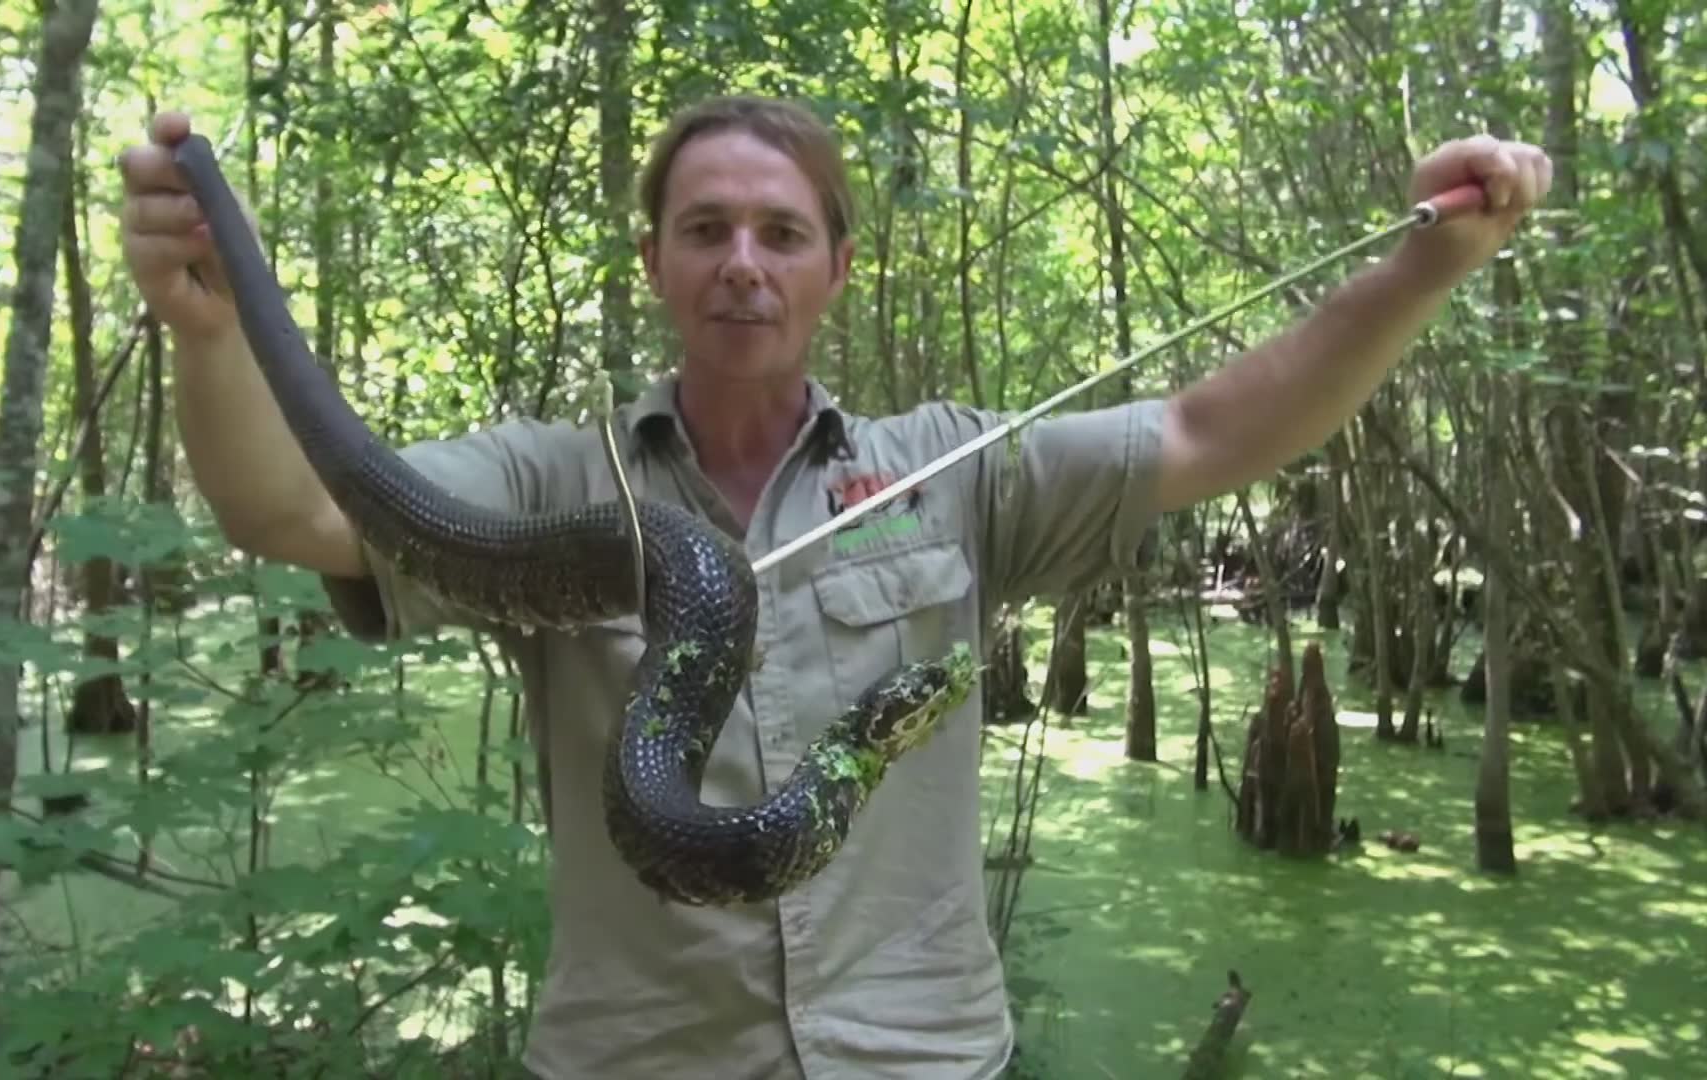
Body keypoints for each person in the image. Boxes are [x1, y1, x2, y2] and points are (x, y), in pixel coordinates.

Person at [119, 95, 1550, 1077]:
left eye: (781, 232)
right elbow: (297, 508)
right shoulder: (556, 483)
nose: (742, 264)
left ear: (837, 267)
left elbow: (1206, 430)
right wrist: (207, 331)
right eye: (706, 230)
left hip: (919, 1057)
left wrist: (1428, 266)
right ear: (656, 263)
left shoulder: (947, 471)